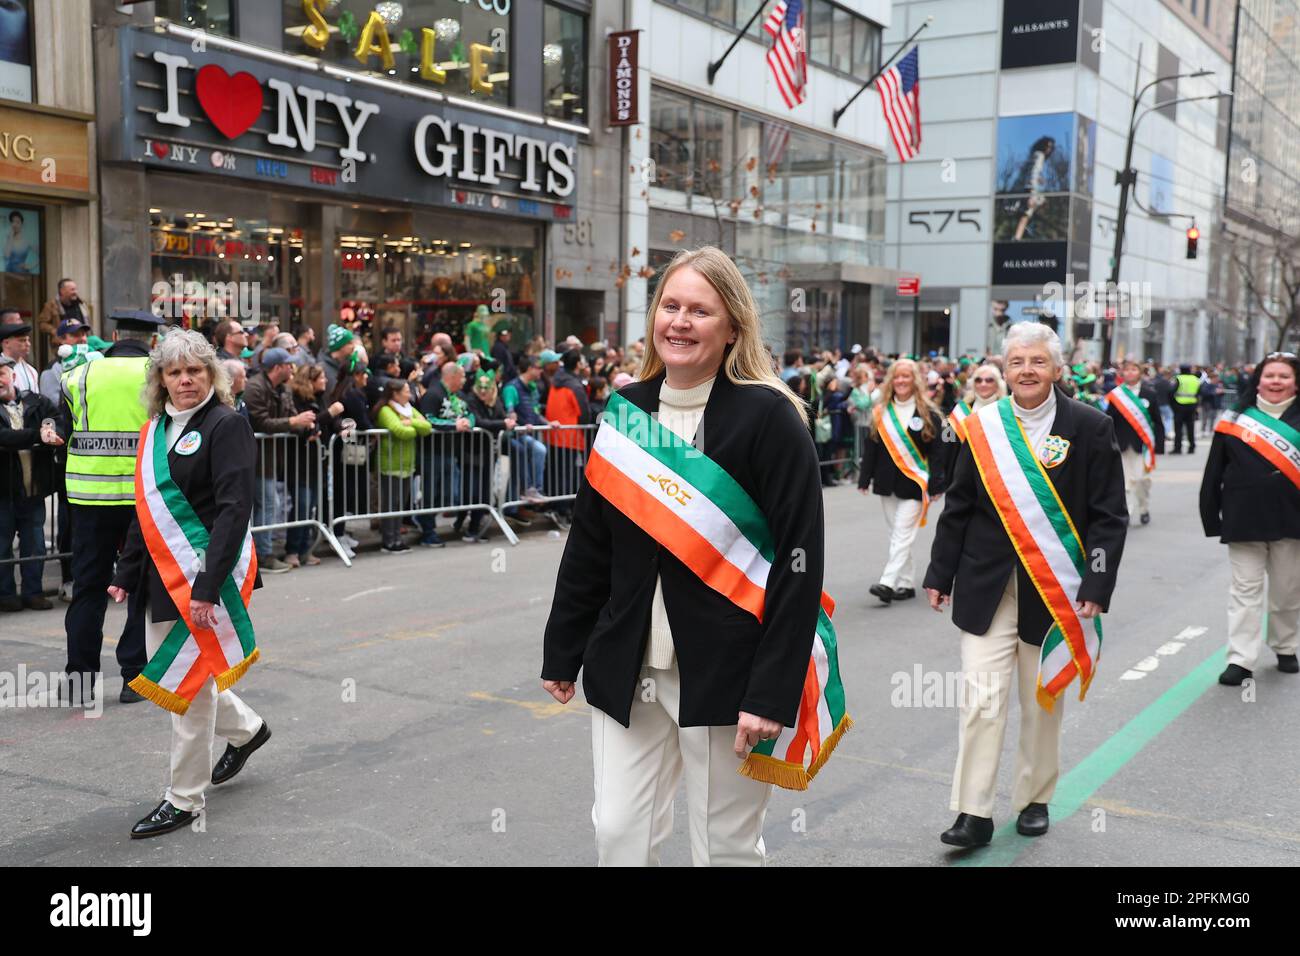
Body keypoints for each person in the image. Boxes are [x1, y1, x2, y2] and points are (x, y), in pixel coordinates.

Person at [541, 247, 834, 866]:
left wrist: (772, 691)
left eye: (700, 310)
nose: (680, 321)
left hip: (730, 672)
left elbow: (798, 564)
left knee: (723, 847)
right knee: (618, 833)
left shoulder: (770, 418)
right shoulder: (628, 414)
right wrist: (563, 650)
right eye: (670, 306)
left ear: (732, 328)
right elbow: (590, 546)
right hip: (629, 663)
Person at [923, 322, 1127, 848]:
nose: (1027, 371)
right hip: (986, 585)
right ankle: (973, 813)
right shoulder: (984, 425)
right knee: (981, 700)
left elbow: (1108, 515)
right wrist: (939, 573)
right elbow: (960, 505)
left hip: (1054, 587)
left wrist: (1097, 582)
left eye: (1037, 362)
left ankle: (1034, 798)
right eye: (1017, 362)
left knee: (1042, 701)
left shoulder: (1090, 425)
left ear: (1057, 369)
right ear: (1003, 368)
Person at [108, 329, 269, 839]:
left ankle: (183, 799)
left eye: (194, 371)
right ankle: (248, 731)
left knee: (188, 689)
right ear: (160, 379)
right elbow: (146, 508)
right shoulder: (155, 428)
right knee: (187, 681)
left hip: (207, 578)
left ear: (211, 375)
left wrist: (205, 587)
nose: (184, 380)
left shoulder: (226, 425)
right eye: (173, 372)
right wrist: (126, 570)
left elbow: (233, 509)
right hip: (162, 578)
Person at [62, 310, 164, 705]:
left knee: (88, 588)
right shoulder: (159, 377)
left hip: (90, 498)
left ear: (115, 335)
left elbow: (68, 424)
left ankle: (78, 683)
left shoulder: (80, 375)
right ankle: (134, 677)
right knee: (138, 588)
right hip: (143, 497)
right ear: (151, 342)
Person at [1200, 353, 1300, 686]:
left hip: (1292, 520)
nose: (1275, 382)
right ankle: (1241, 659)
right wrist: (1211, 516)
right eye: (1270, 375)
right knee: (1245, 591)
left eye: (1283, 376)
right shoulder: (1235, 419)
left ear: (1295, 382)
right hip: (1244, 518)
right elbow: (1214, 470)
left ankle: (1285, 646)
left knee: (1287, 591)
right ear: (1258, 380)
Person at [858, 358, 947, 605]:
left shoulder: (928, 413)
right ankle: (906, 583)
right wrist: (864, 478)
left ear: (915, 380)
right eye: (897, 377)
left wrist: (938, 483)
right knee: (896, 534)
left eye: (906, 376)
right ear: (890, 381)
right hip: (886, 482)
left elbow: (938, 451)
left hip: (916, 483)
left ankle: (887, 582)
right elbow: (871, 447)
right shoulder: (880, 412)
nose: (901, 381)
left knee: (901, 532)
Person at [0, 357, 66, 611]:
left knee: (35, 543)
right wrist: (35, 436)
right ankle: (6, 595)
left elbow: (54, 418)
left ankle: (33, 592)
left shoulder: (36, 401)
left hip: (34, 489)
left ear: (13, 377)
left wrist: (48, 429)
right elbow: (4, 437)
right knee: (3, 545)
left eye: (3, 375)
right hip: (3, 492)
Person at [243, 347, 316, 573]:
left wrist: (308, 427)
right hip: (257, 458)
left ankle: (263, 553)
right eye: (288, 364)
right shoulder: (254, 387)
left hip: (274, 458)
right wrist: (294, 422)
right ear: (277, 367)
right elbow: (261, 423)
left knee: (269, 504)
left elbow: (291, 415)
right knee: (267, 504)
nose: (292, 367)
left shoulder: (283, 388)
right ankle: (264, 555)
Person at [286, 364, 340, 567]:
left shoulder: (322, 397)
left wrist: (343, 426)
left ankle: (305, 549)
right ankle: (292, 550)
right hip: (300, 460)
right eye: (321, 377)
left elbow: (331, 423)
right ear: (310, 380)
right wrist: (330, 413)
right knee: (301, 505)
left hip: (318, 460)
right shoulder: (298, 398)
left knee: (311, 506)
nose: (325, 381)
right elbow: (309, 424)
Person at [372, 378, 431, 554]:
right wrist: (413, 428)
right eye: (406, 390)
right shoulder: (385, 410)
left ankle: (397, 537)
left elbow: (427, 427)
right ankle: (389, 540)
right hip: (390, 463)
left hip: (407, 463)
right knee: (391, 503)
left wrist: (410, 422)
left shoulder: (409, 410)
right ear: (396, 394)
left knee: (400, 503)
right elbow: (399, 430)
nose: (409, 393)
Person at [1106, 359, 1165, 526]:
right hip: (1121, 445)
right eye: (1127, 370)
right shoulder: (1117, 395)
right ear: (1122, 373)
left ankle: (1144, 507)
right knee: (1124, 482)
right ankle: (1127, 512)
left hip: (1143, 446)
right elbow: (1109, 420)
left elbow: (1157, 421)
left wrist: (1159, 445)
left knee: (1141, 480)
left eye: (1134, 369)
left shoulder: (1149, 394)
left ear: (1139, 373)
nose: (1130, 372)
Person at [460, 369, 513, 542]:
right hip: (471, 452)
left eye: (486, 387)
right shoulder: (471, 400)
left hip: (488, 453)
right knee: (471, 492)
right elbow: (480, 422)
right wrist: (502, 424)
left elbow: (503, 417)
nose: (483, 391)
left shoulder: (496, 401)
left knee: (483, 492)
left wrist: (508, 422)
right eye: (480, 387)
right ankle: (462, 523)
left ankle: (475, 528)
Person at [0, 319, 39, 394]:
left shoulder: (31, 371)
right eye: (22, 340)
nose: (28, 344)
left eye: (28, 340)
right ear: (7, 343)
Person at [1171, 363, 1200, 454]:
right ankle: (1192, 447)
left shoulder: (1179, 378)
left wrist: (1173, 404)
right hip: (1191, 406)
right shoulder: (1195, 379)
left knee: (1178, 428)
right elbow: (1199, 392)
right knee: (1190, 427)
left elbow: (1171, 391)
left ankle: (1178, 448)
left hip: (1179, 406)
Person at [321, 323, 357, 394]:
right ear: (340, 346)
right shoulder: (324, 370)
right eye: (349, 343)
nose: (353, 346)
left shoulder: (346, 365)